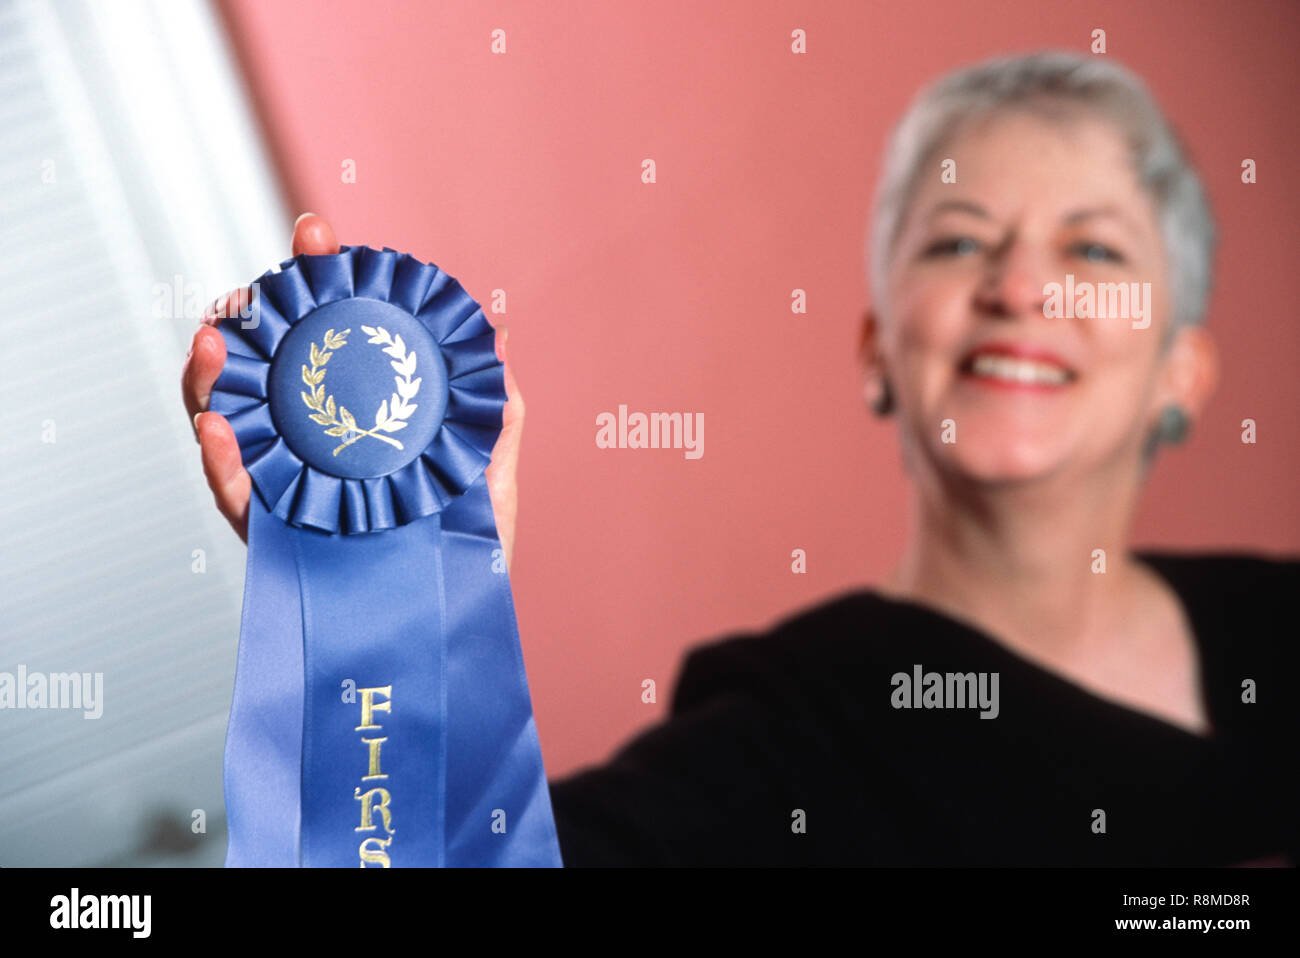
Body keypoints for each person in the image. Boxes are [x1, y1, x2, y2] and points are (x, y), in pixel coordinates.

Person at [182, 50, 1297, 867]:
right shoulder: (776, 749)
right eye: (960, 241)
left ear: (1182, 370)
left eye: (1092, 247)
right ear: (875, 349)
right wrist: (388, 613)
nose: (1019, 288)